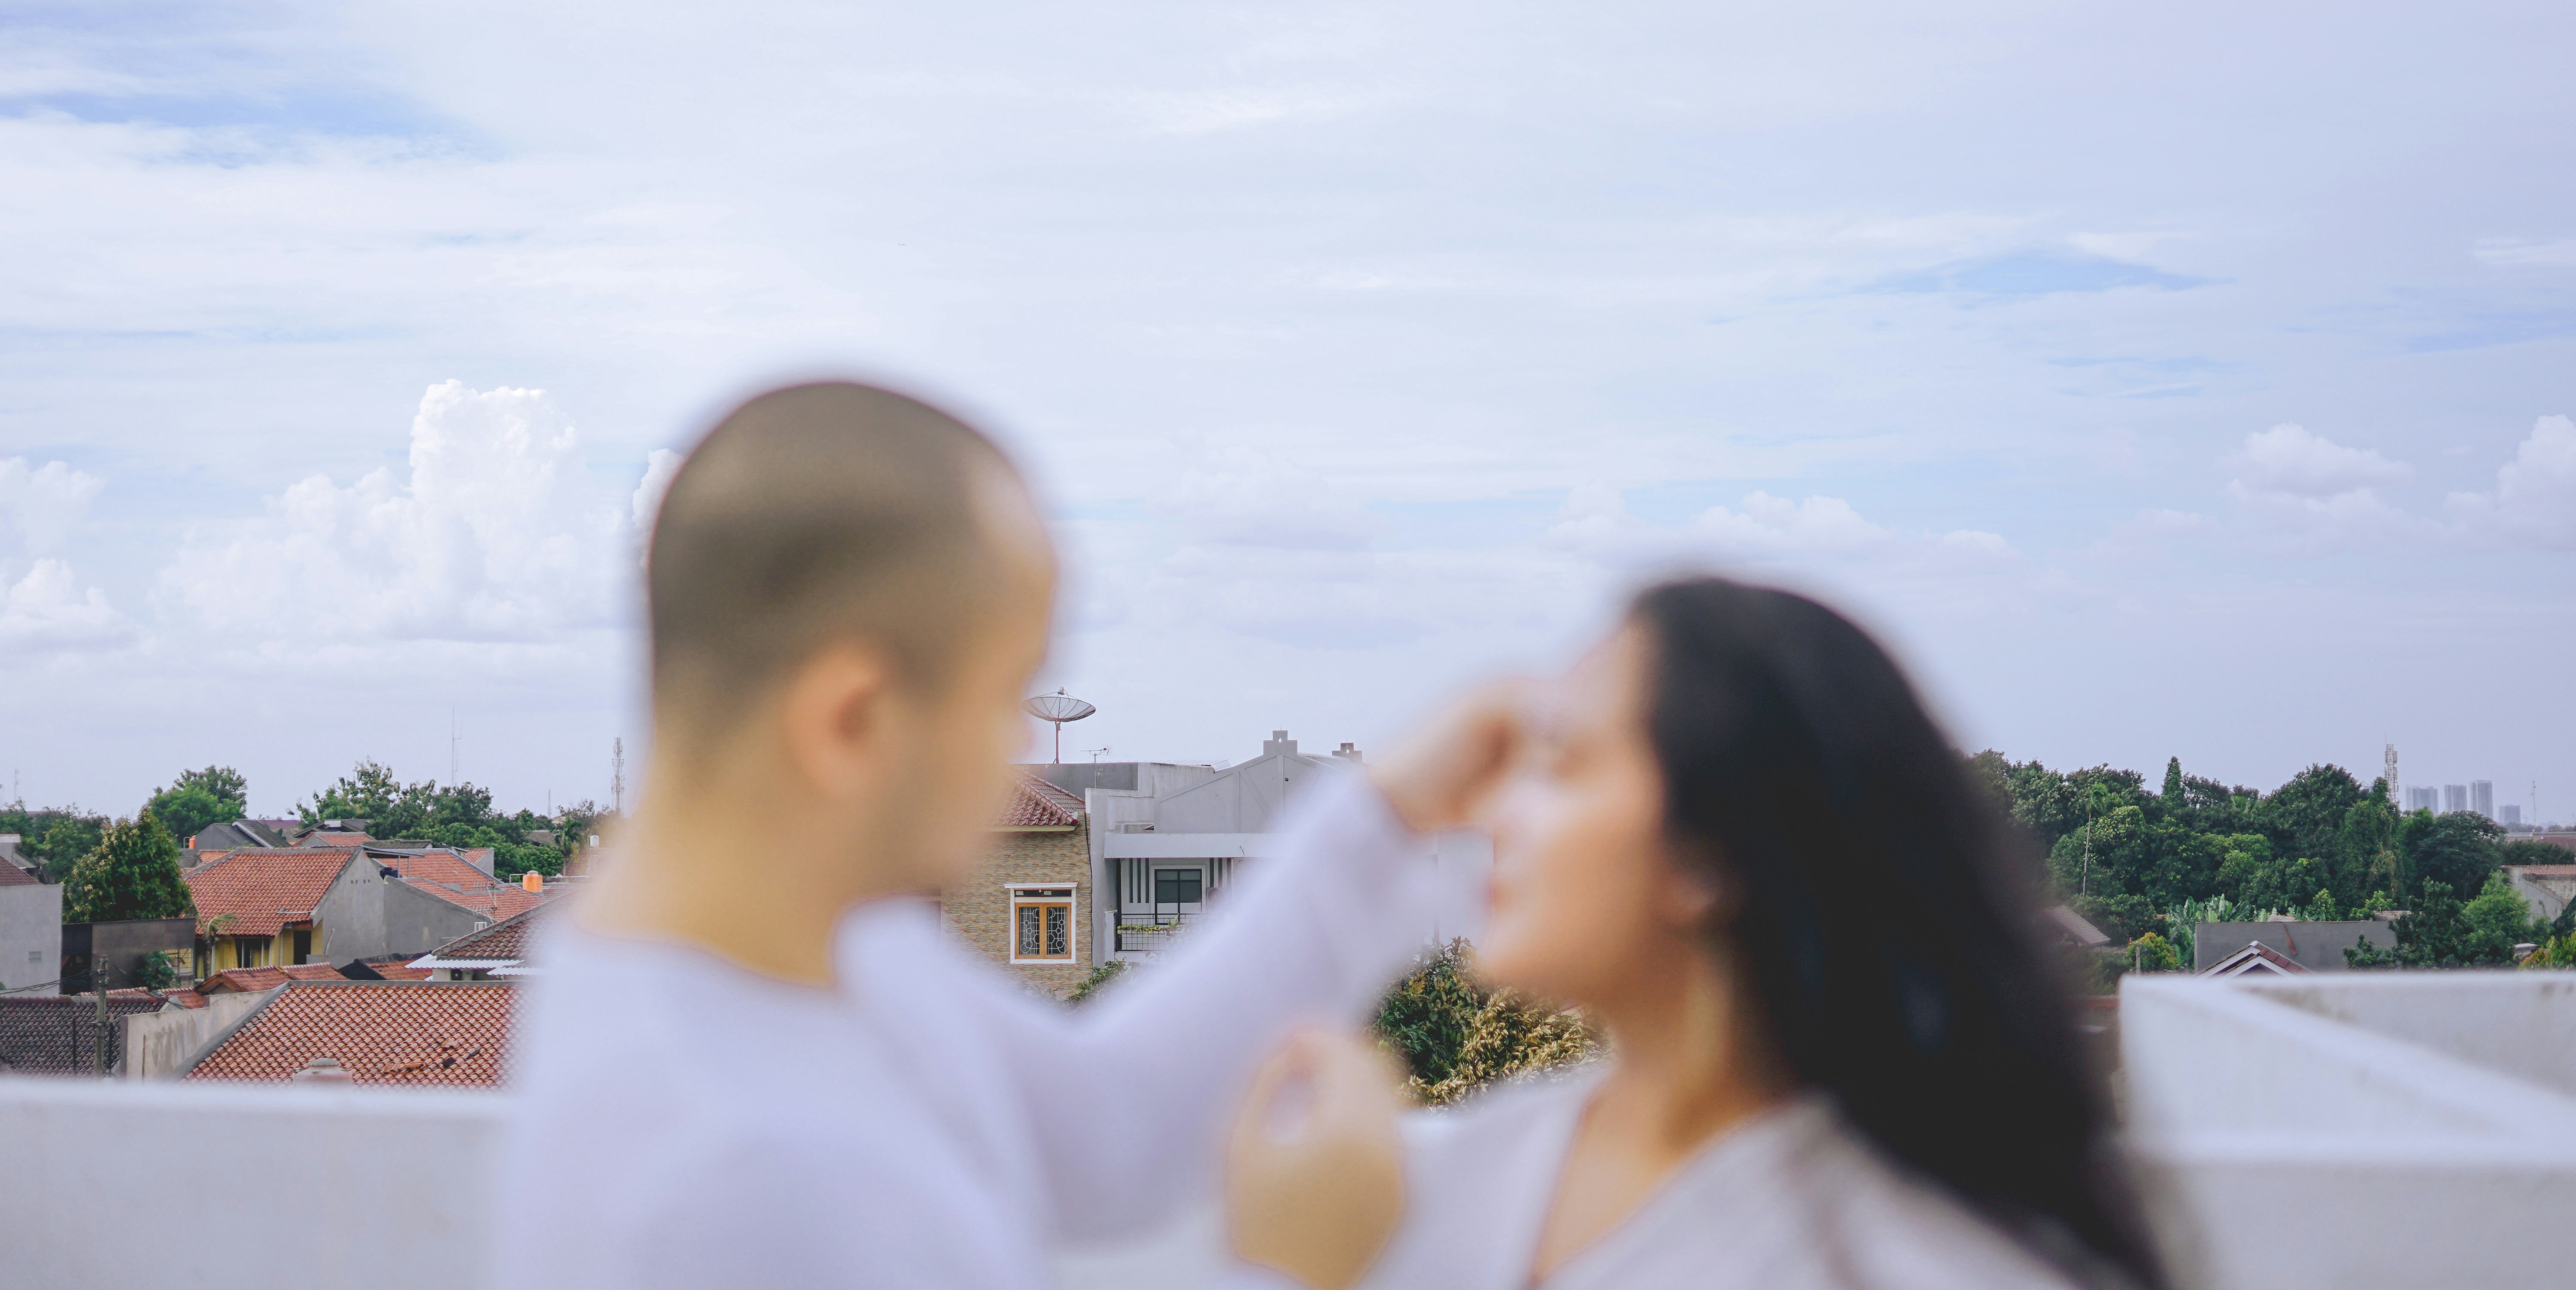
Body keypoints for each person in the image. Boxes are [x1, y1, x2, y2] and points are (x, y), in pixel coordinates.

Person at [495, 381, 1510, 1288]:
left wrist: (1385, 812)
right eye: (1007, 691)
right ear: (852, 720)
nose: (1026, 742)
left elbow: (1112, 1123)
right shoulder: (737, 1169)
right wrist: (1298, 1269)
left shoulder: (830, 947)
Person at [1228, 576, 2167, 1290]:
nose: (1494, 812)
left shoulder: (1919, 1255)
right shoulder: (1490, 1159)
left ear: (1708, 853)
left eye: (1560, 764)